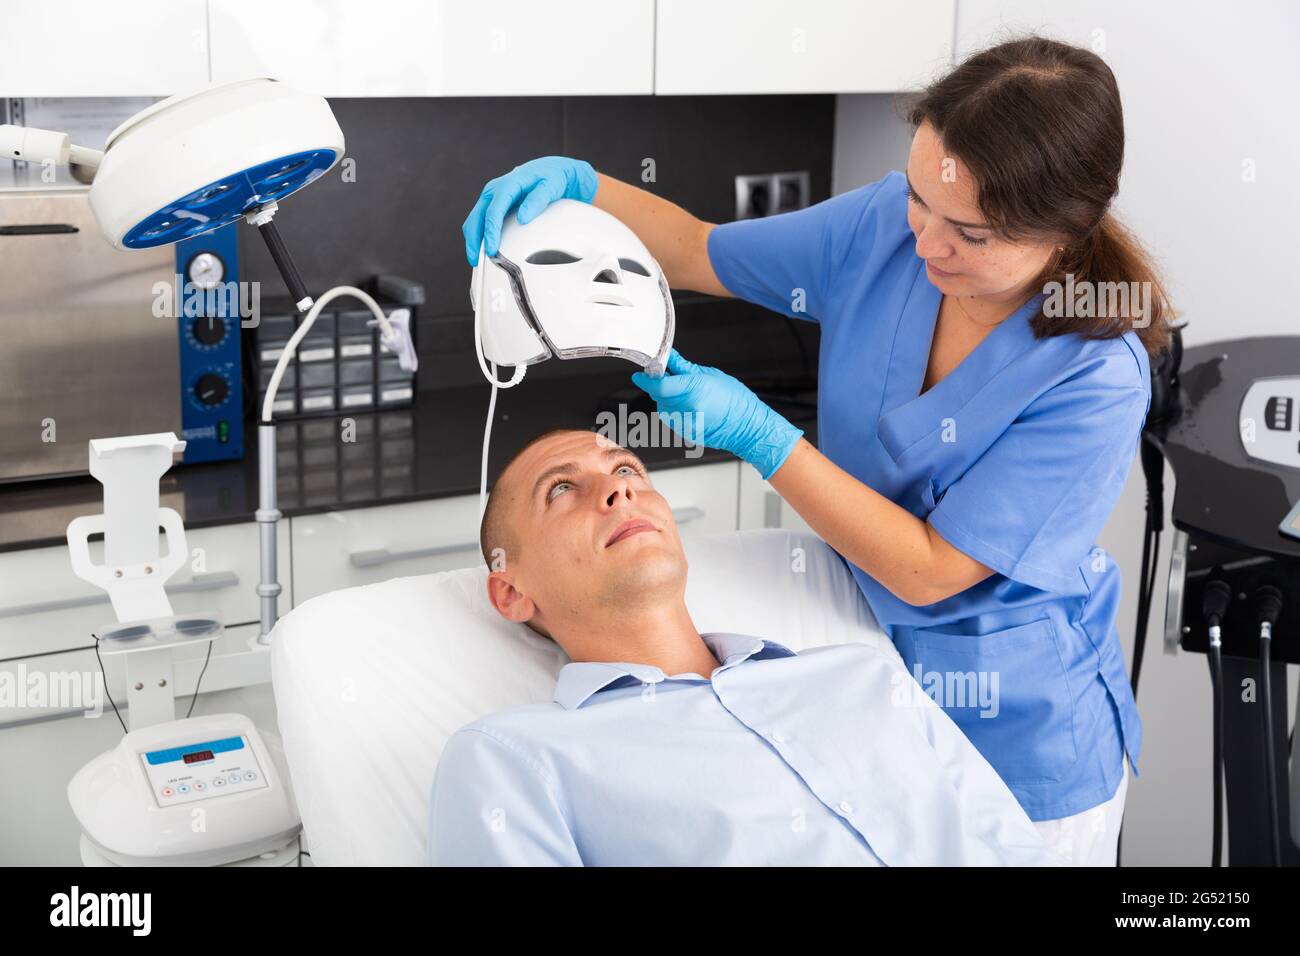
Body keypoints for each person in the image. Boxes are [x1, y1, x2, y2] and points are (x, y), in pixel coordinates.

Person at [461, 36, 1171, 865]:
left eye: (970, 234)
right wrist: (582, 186)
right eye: (919, 197)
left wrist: (761, 435)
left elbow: (930, 568)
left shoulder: (1095, 376)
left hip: (1017, 738)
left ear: (1064, 232)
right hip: (868, 704)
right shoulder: (883, 229)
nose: (927, 242)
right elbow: (695, 249)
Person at [426, 428, 1064, 866]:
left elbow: (1015, 850)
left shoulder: (862, 678)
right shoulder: (513, 760)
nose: (618, 489)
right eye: (561, 489)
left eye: (626, 469)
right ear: (510, 592)